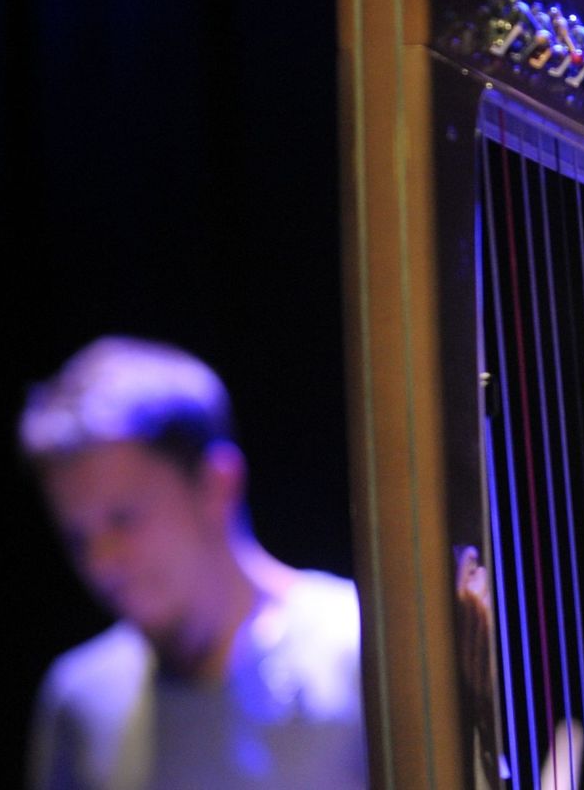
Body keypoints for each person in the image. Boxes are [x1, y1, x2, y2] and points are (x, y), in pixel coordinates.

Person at [21, 337, 367, 789]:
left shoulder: (362, 648)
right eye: (78, 537)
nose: (101, 562)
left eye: (123, 519)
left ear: (216, 484)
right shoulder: (82, 699)